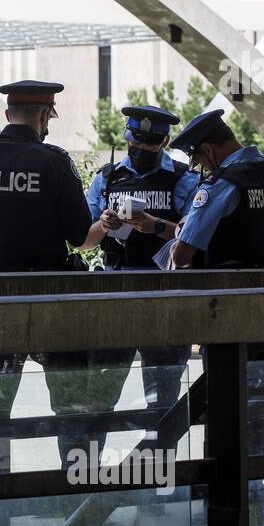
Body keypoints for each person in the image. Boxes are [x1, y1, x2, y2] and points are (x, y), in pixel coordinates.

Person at [168, 108, 264, 525]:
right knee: (261, 408)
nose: (200, 167)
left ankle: (225, 508)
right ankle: (254, 499)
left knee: (223, 409)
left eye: (198, 160)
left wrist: (176, 250)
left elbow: (185, 252)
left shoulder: (224, 183)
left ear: (207, 150)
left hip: (228, 316)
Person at [0, 79, 94, 461]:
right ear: (45, 116)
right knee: (71, 405)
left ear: (7, 113)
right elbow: (80, 234)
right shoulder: (55, 161)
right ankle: (74, 493)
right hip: (48, 300)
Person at [77, 106, 200, 415]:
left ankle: (162, 460)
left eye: (151, 144)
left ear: (165, 141)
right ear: (127, 138)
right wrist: (103, 225)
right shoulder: (107, 179)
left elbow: (196, 240)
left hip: (165, 294)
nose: (141, 149)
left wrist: (156, 226)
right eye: (136, 142)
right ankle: (90, 463)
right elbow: (83, 242)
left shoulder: (184, 179)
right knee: (100, 398)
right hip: (115, 293)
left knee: (164, 401)